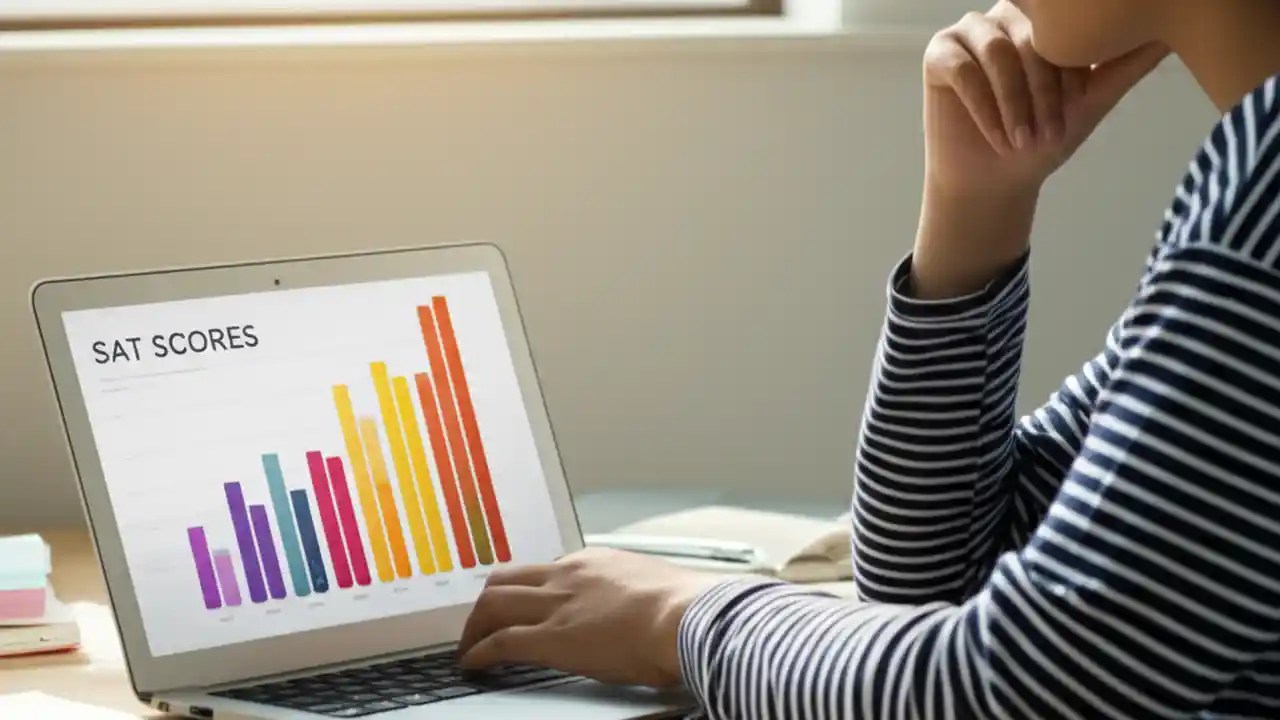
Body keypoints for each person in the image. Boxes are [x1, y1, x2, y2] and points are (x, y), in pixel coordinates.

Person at [457, 0, 1280, 716]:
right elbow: (934, 586)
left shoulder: (1257, 209)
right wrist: (972, 208)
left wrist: (681, 619)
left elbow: (1026, 691)